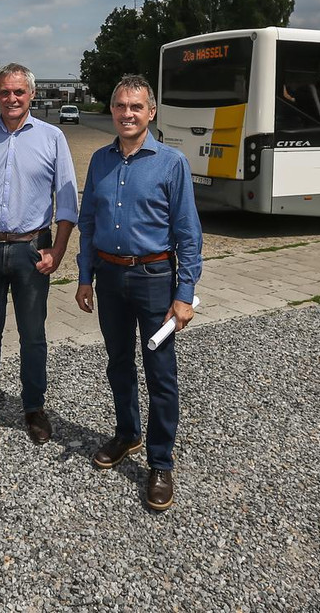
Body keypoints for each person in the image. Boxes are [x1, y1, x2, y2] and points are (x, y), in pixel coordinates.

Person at [74, 74, 202, 511]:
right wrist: (84, 276)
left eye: (136, 107)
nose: (127, 114)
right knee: (118, 363)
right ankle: (128, 434)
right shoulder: (99, 161)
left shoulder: (171, 164)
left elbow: (188, 233)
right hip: (109, 279)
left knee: (160, 373)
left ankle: (161, 461)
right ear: (112, 110)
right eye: (120, 106)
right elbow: (88, 220)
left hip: (154, 279)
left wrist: (184, 294)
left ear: (151, 112)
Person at [0, 63, 78, 444]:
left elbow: (67, 201)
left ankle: (33, 408)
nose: (12, 98)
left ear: (32, 95)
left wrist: (57, 249)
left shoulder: (53, 138)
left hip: (31, 250)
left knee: (33, 334)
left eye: (19, 92)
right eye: (5, 92)